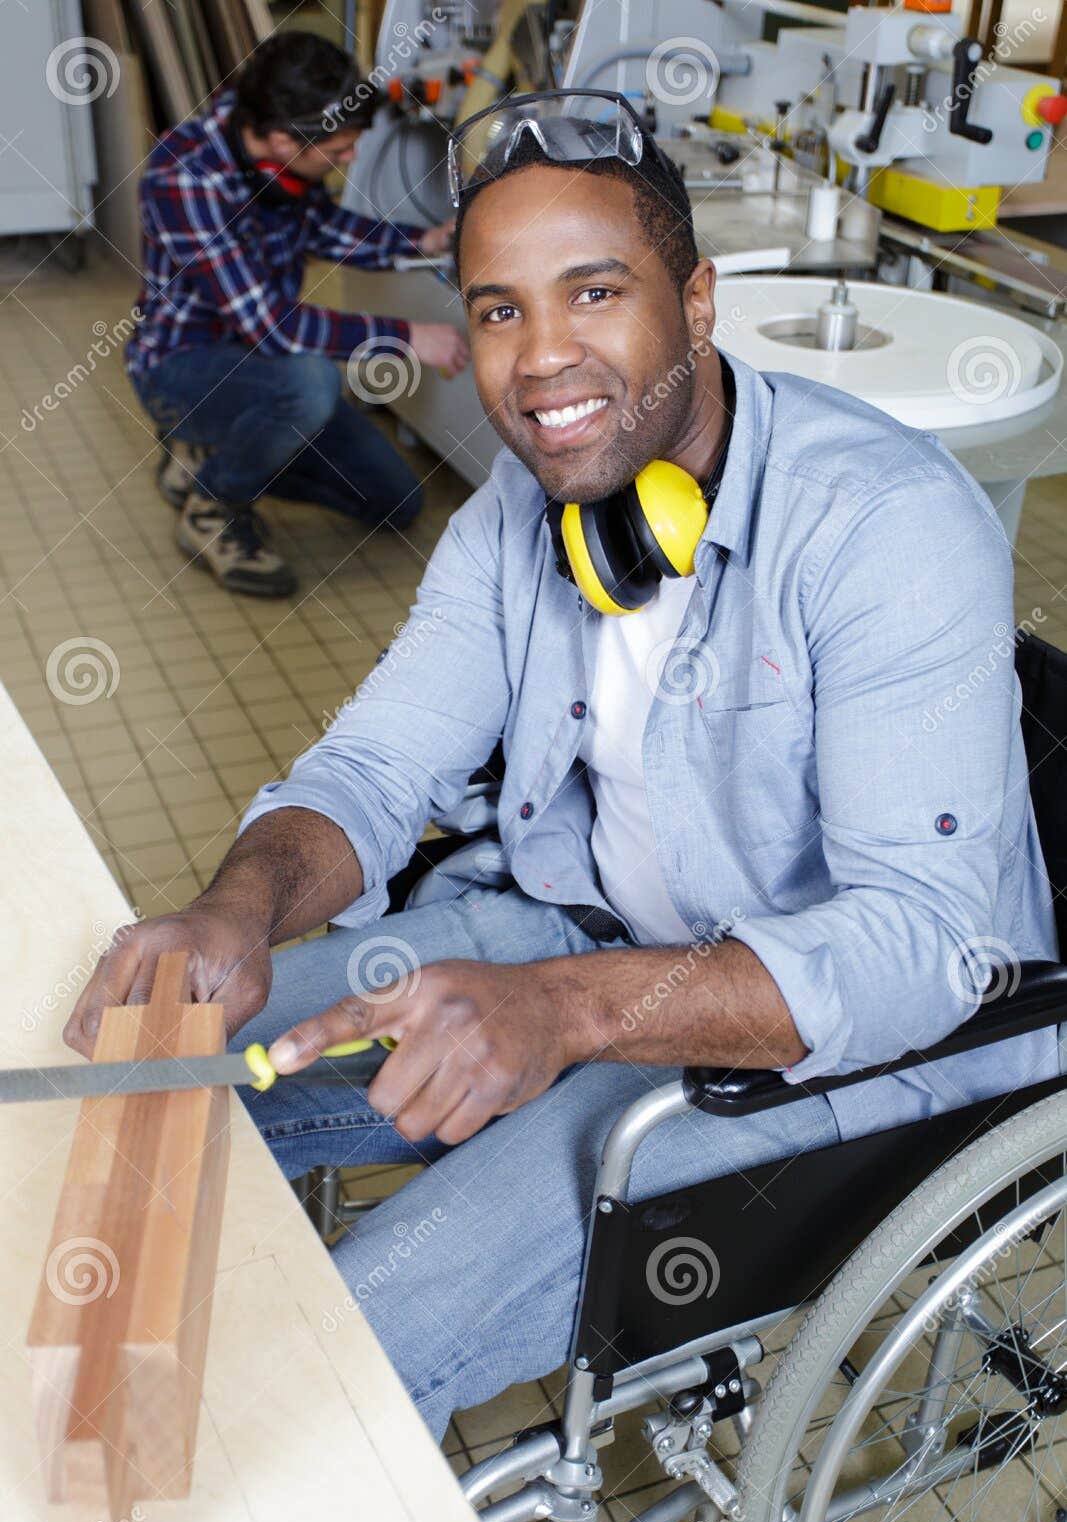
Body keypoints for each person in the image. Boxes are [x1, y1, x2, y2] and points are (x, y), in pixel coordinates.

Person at [72, 92, 1058, 1444]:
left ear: (696, 301)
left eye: (593, 292)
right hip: (569, 922)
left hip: (832, 1054)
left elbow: (918, 945)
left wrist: (563, 1010)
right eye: (496, 310)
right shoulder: (516, 515)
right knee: (147, 1070)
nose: (540, 361)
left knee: (331, 1357)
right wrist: (242, 905)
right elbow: (373, 761)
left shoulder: (881, 526)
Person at [126, 31, 468, 597]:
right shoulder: (184, 178)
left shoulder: (279, 148)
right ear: (285, 140)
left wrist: (424, 240)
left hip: (264, 367)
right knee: (312, 382)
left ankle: (220, 448)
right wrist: (407, 336)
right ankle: (213, 506)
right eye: (338, 151)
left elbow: (326, 228)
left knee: (395, 503)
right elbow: (274, 325)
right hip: (182, 366)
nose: (351, 156)